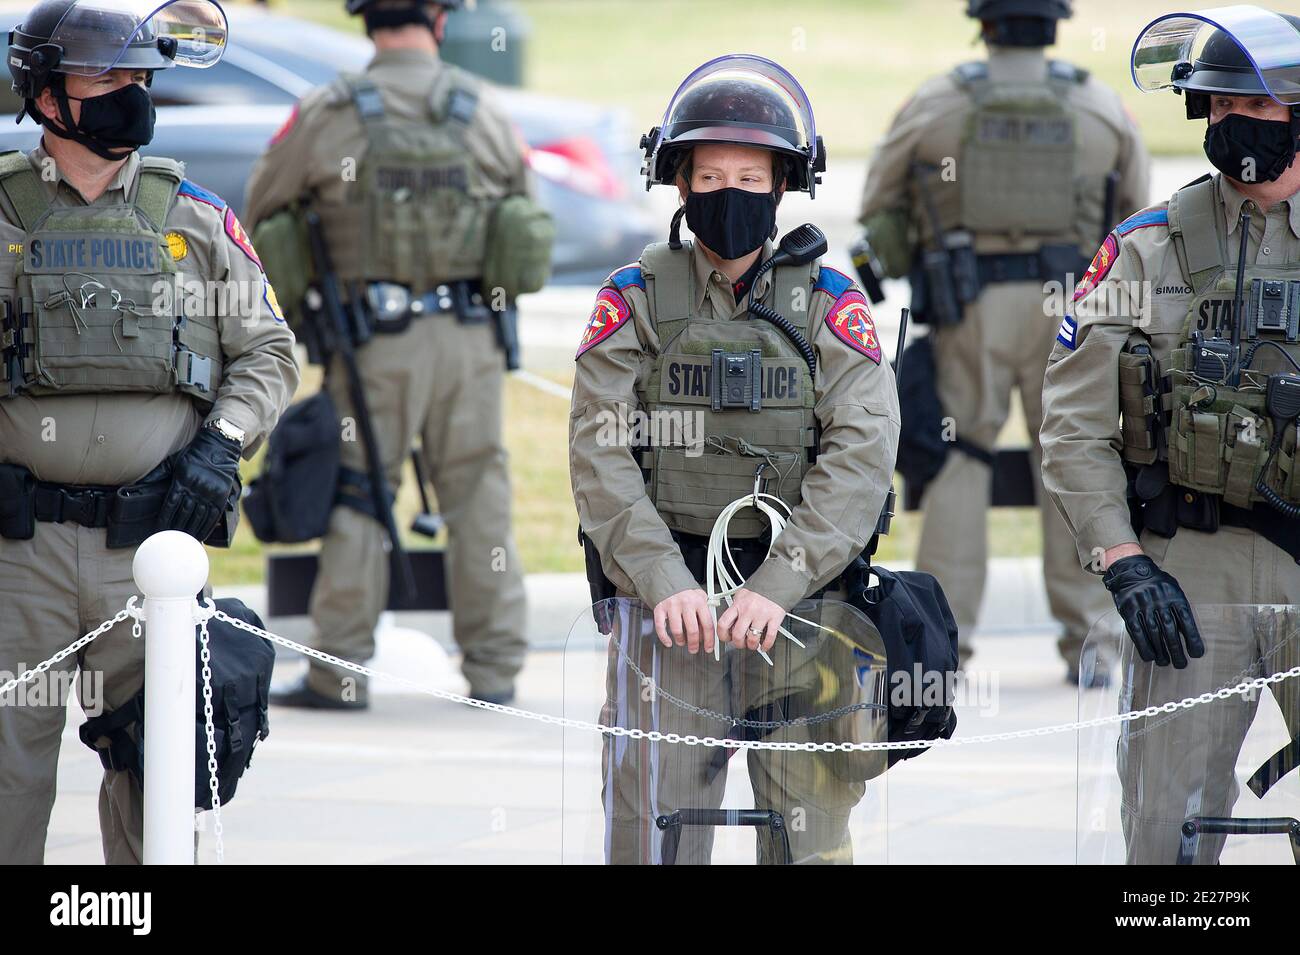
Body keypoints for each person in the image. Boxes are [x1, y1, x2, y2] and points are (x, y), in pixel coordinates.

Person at [569, 54, 900, 864]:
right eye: (710, 174)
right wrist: (663, 580)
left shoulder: (829, 300)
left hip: (804, 610)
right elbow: (599, 452)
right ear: (679, 184)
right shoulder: (637, 299)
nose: (730, 194)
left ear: (783, 186)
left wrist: (779, 585)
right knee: (655, 824)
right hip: (667, 612)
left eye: (751, 176)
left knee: (809, 830)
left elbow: (861, 458)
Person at [0, 0, 299, 863]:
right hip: (21, 551)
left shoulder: (195, 218)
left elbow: (268, 352)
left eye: (140, 78)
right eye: (107, 78)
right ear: (47, 95)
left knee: (155, 774)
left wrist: (222, 443)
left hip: (152, 549)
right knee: (9, 776)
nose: (130, 95)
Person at [1041, 4, 1300, 864]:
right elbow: (1073, 426)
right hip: (1189, 565)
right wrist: (1124, 565)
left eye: (1259, 110)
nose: (1237, 128)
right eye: (1221, 110)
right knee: (1166, 829)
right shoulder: (1142, 251)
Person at [246, 0, 548, 710]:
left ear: (365, 20)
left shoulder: (327, 110)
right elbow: (527, 214)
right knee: (480, 494)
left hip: (370, 342)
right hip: (470, 338)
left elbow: (261, 207)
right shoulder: (483, 108)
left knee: (359, 489)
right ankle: (497, 670)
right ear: (441, 20)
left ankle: (339, 672)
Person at [857, 0, 1150, 682]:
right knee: (1073, 454)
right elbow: (1136, 220)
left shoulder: (936, 102)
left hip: (970, 307)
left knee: (962, 456)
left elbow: (880, 210)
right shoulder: (1102, 108)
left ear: (983, 24)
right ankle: (1094, 644)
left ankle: (942, 647)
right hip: (1071, 309)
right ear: (1054, 24)